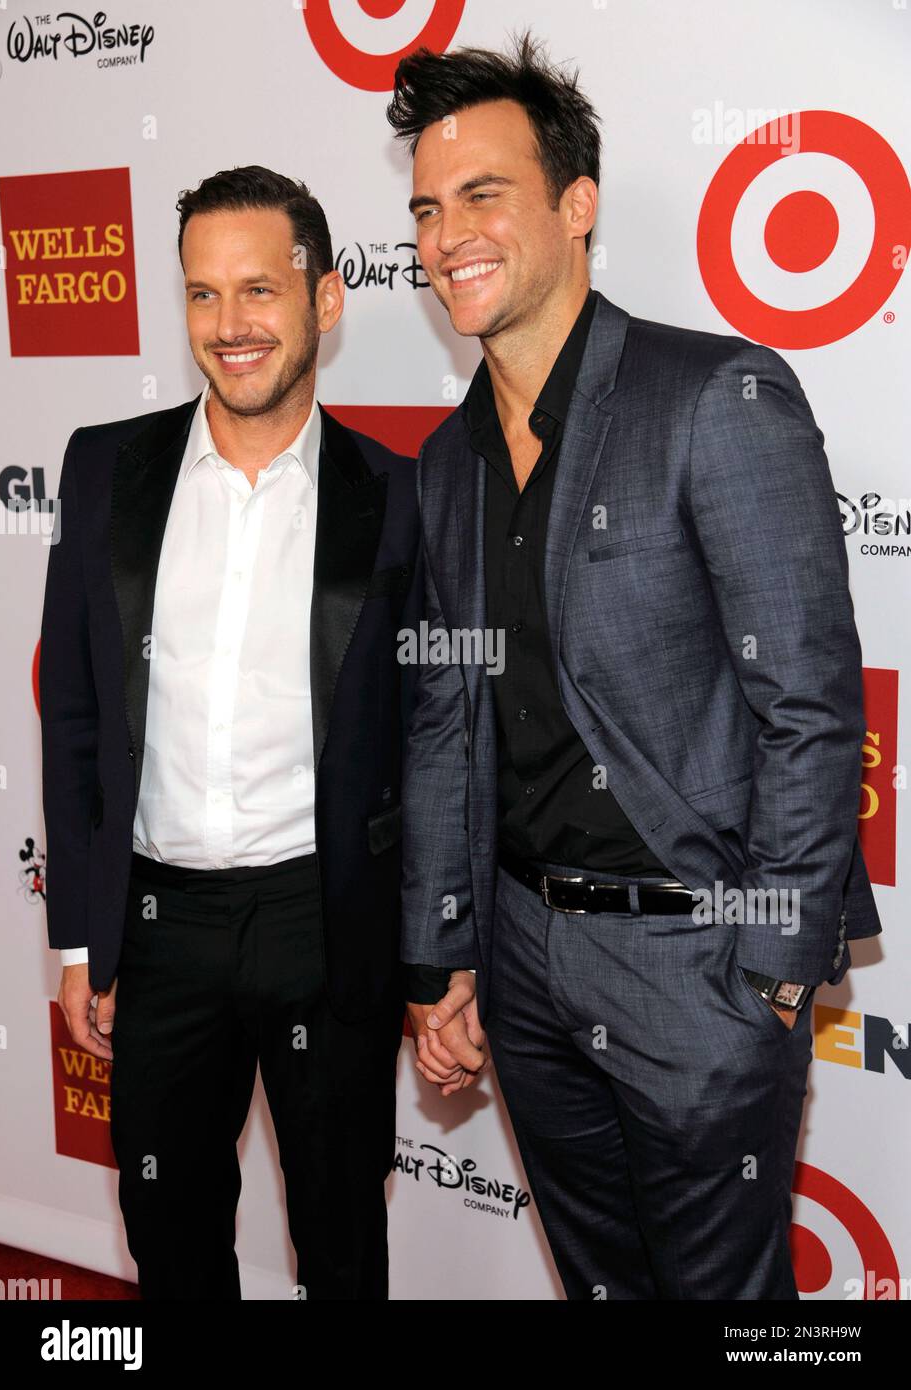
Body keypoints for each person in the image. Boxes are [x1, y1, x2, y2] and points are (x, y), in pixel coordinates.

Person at [388, 35, 882, 1299]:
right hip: (523, 962)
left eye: (482, 196)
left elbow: (811, 710)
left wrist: (767, 976)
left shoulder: (713, 395)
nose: (449, 237)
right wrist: (442, 954)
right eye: (428, 211)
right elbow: (448, 723)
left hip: (695, 970)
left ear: (575, 206)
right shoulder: (446, 465)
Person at [39, 166, 420, 1300]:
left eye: (258, 290)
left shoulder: (397, 495)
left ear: (326, 298)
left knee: (343, 1241)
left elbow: (433, 738)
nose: (229, 325)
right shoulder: (104, 467)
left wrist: (433, 951)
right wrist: (78, 942)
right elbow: (74, 714)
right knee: (168, 1236)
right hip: (157, 932)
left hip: (325, 922)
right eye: (202, 295)